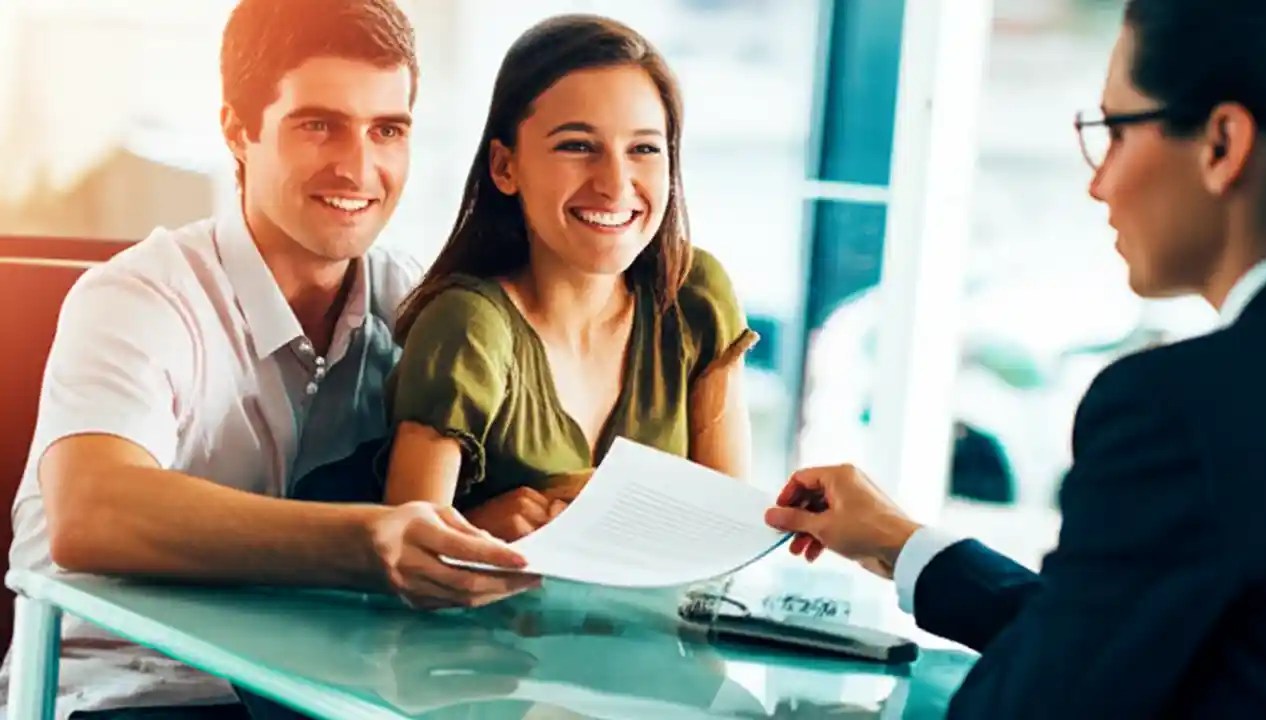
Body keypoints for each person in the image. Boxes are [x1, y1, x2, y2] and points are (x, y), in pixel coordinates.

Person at [1, 1, 537, 717]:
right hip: (133, 694)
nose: (359, 167)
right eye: (319, 125)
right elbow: (92, 509)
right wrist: (370, 542)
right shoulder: (137, 296)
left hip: (326, 693)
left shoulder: (415, 303)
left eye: (388, 131)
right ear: (237, 131)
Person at [765, 0, 1266, 717]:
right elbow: (1119, 643)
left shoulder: (1176, 411)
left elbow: (1039, 700)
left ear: (1221, 144)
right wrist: (901, 545)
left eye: (1114, 132)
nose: (1098, 184)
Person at [296, 14, 757, 541]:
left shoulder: (693, 292)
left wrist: (622, 511)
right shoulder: (467, 325)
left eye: (644, 149)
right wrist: (478, 530)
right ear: (504, 167)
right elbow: (407, 549)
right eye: (577, 146)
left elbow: (731, 531)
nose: (615, 183)